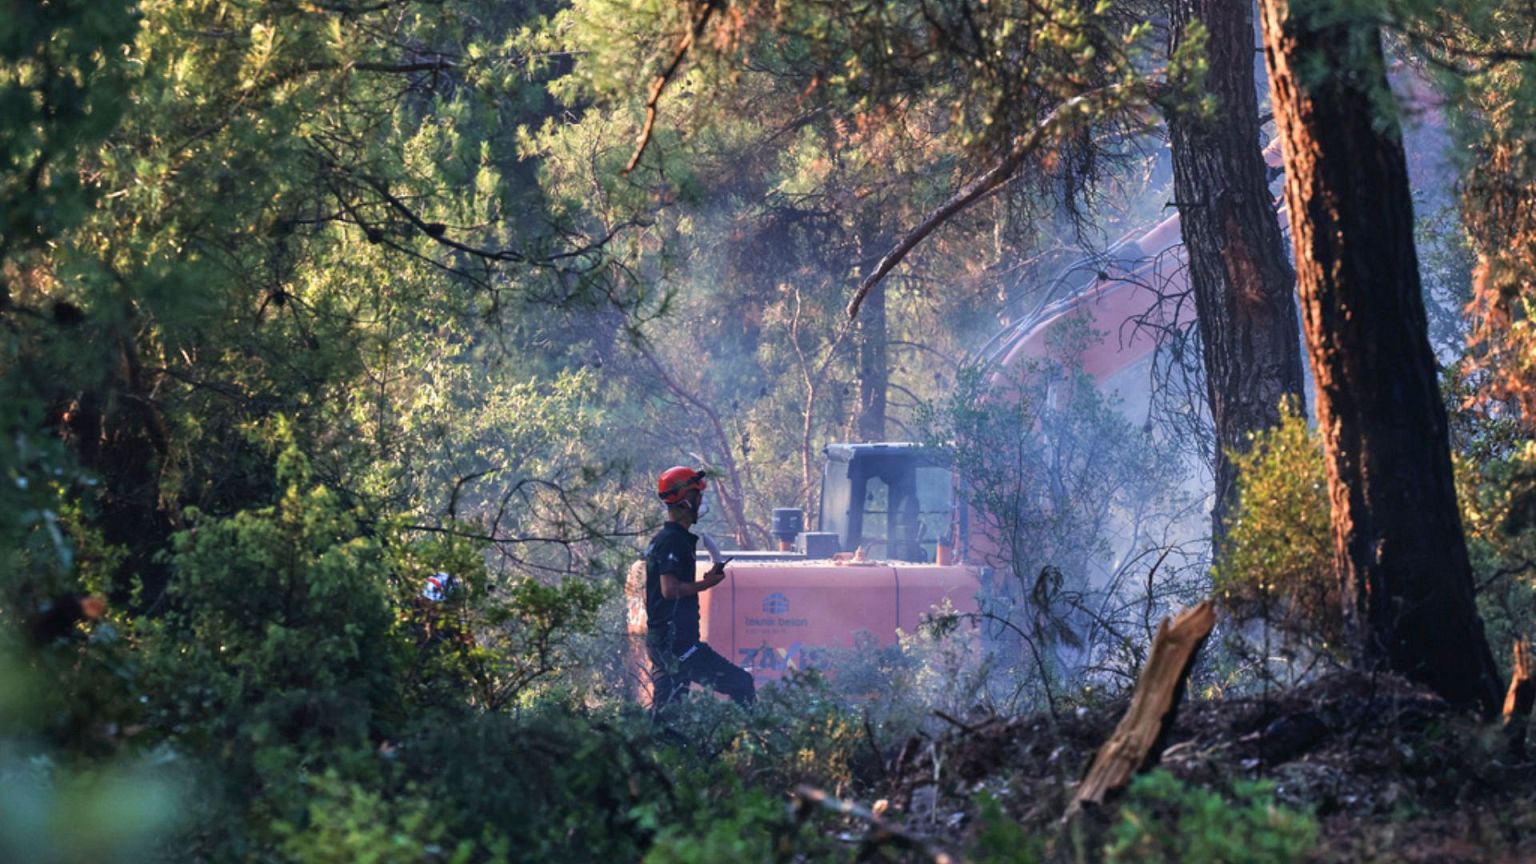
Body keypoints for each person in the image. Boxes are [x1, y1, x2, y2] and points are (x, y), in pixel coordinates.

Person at [644, 466, 755, 710]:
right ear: (686, 500)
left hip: (666, 642)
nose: (701, 501)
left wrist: (702, 580)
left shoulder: (669, 539)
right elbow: (669, 590)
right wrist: (708, 583)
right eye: (698, 496)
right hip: (678, 644)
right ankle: (742, 745)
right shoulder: (672, 540)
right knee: (742, 684)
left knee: (668, 713)